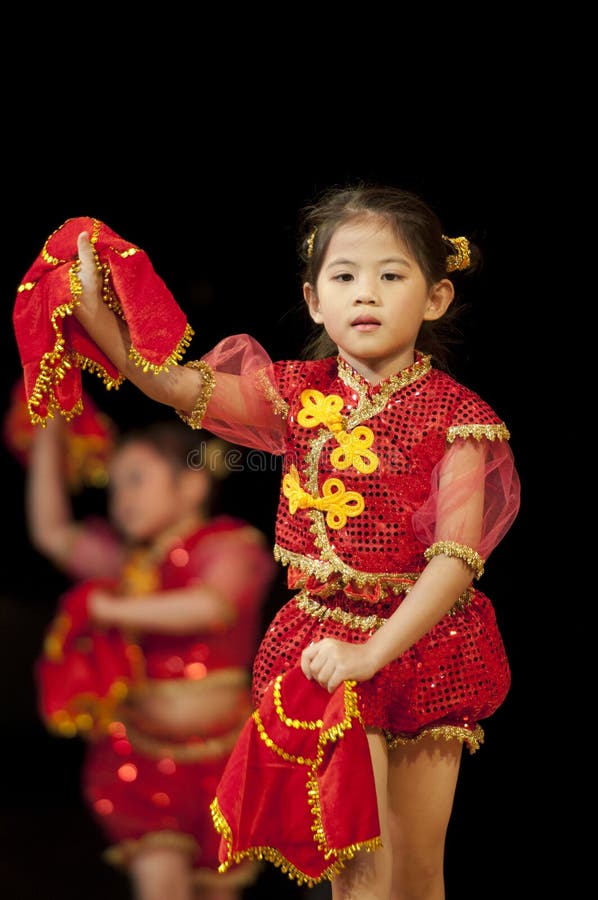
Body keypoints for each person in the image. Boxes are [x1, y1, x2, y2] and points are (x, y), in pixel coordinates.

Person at [18, 184, 520, 900]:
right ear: (315, 300)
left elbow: (456, 561)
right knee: (363, 880)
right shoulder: (293, 393)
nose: (366, 292)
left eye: (391, 274)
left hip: (425, 648)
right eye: (344, 276)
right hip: (324, 651)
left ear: (436, 297)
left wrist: (375, 650)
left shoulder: (461, 420)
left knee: (417, 877)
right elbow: (168, 384)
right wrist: (94, 307)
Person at [23, 414, 277, 900]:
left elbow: (210, 606)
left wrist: (112, 606)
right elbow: (52, 533)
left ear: (192, 485)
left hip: (227, 764)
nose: (123, 499)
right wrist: (48, 434)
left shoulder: (230, 546)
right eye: (116, 486)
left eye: (137, 480)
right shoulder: (130, 563)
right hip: (140, 759)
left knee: (218, 893)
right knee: (161, 886)